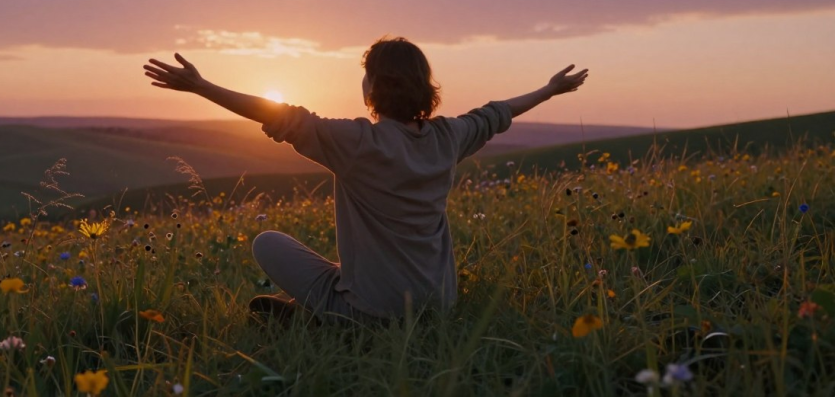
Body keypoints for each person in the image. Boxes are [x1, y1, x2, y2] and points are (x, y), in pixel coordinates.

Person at [143, 36, 588, 324]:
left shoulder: (357, 143)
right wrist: (549, 90)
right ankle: (309, 310)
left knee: (268, 243)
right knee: (346, 270)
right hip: (438, 305)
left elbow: (278, 114)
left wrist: (202, 87)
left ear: (373, 85)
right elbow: (497, 113)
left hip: (375, 311)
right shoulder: (449, 137)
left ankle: (324, 318)